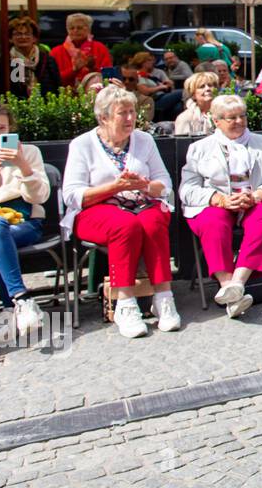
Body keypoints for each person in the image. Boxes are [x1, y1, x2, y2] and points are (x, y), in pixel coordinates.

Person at [62, 85, 179, 339]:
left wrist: (145, 185)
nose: (130, 118)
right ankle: (125, 303)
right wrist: (113, 187)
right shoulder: (82, 144)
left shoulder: (144, 140)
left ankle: (164, 298)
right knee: (125, 225)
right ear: (103, 117)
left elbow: (165, 183)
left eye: (132, 112)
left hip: (141, 201)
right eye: (122, 113)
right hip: (96, 210)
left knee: (153, 221)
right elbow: (72, 194)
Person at [180, 95, 262, 319]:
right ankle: (227, 285)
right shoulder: (199, 149)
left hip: (254, 201)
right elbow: (187, 190)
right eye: (231, 118)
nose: (239, 121)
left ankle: (237, 284)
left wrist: (259, 194)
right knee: (213, 221)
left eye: (242, 116)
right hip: (216, 204)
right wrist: (219, 199)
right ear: (216, 121)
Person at [0, 101, 50, 334]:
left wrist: (23, 165)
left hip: (25, 222)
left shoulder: (29, 153)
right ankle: (23, 300)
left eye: (2, 128)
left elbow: (40, 196)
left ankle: (10, 306)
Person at [51, 13, 112, 88]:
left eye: (79, 28)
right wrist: (73, 70)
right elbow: (53, 80)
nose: (75, 30)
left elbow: (108, 78)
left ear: (89, 29)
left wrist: (93, 68)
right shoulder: (56, 52)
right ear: (67, 30)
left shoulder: (100, 48)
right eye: (71, 28)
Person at [6, 15, 60, 99]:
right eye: (18, 34)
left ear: (34, 38)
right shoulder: (6, 61)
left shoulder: (47, 60)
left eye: (27, 34)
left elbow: (57, 87)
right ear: (11, 38)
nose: (23, 37)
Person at [174, 71, 220, 137]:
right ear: (193, 94)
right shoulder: (185, 118)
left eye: (210, 85)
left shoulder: (224, 113)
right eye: (202, 86)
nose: (207, 89)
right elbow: (182, 144)